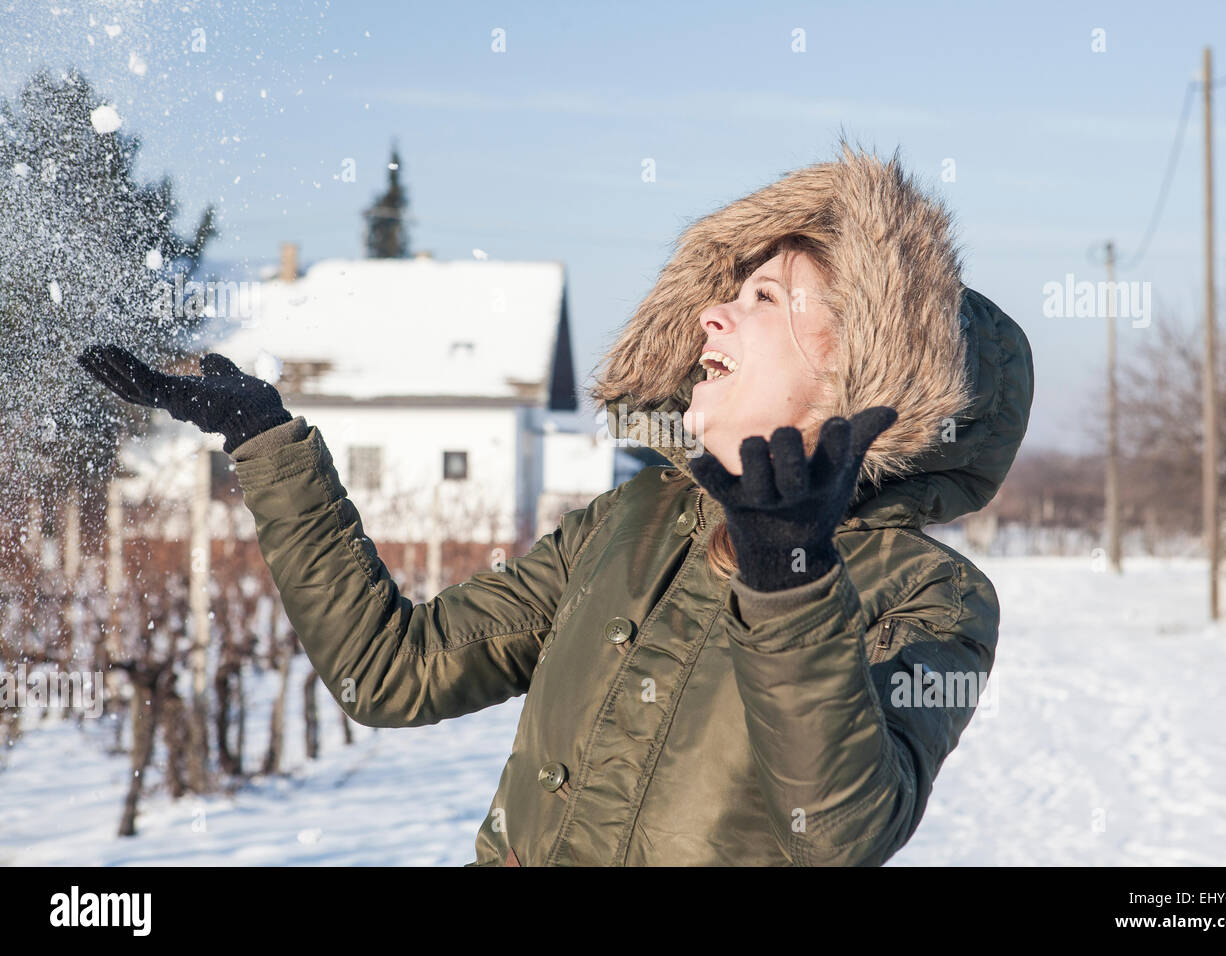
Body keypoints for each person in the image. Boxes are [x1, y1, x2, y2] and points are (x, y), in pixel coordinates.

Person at [79, 139, 1033, 866]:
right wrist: (266, 442)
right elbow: (390, 672)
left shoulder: (930, 597)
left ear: (868, 368)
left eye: (769, 298)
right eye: (730, 288)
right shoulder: (631, 523)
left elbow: (840, 830)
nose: (715, 312)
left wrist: (790, 584)